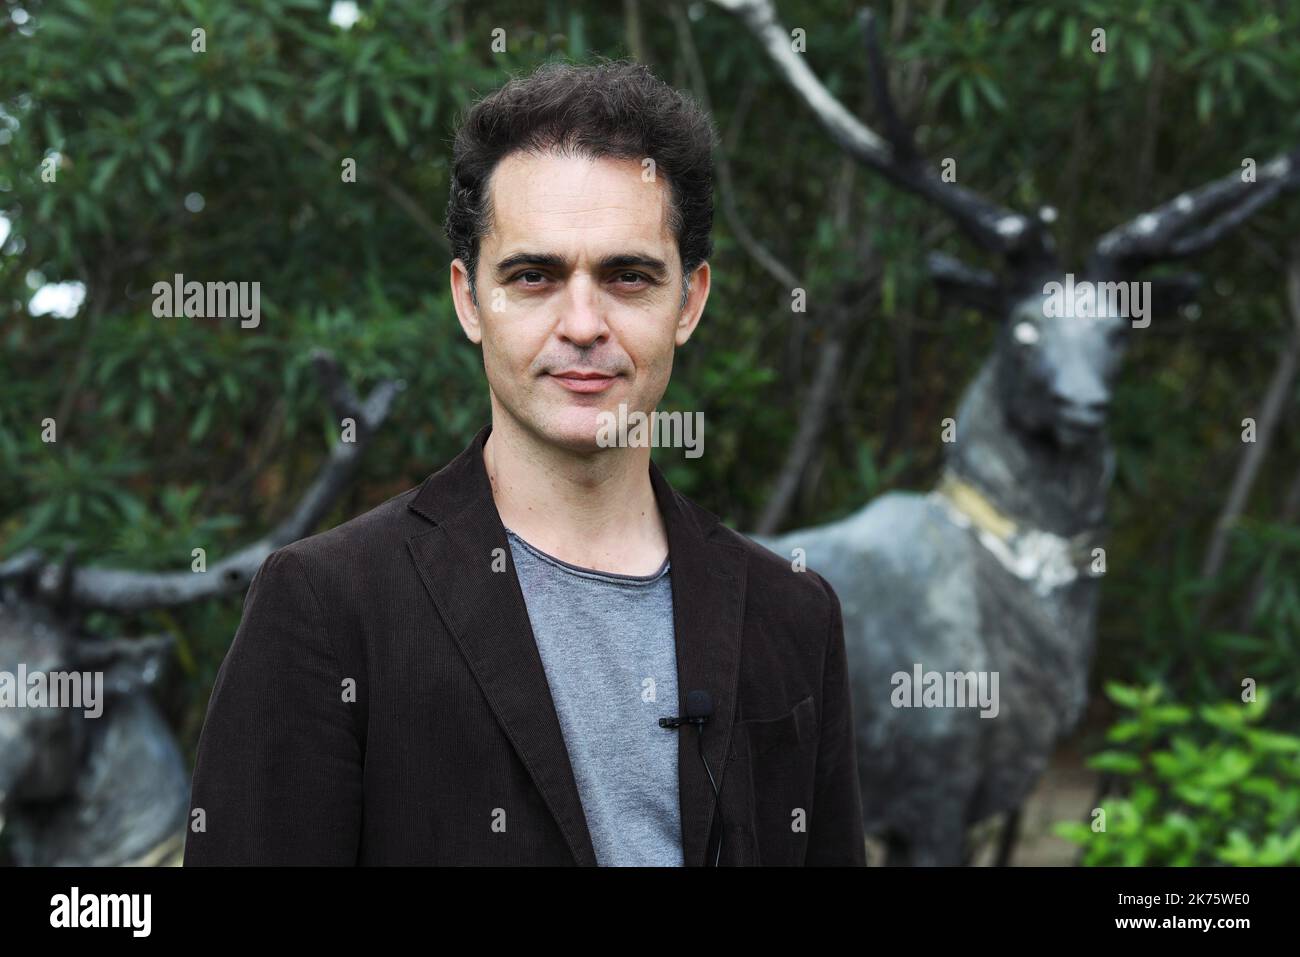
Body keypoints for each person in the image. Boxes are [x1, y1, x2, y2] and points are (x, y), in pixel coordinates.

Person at [184, 59, 866, 866]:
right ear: (469, 299)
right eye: (534, 276)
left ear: (690, 301)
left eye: (628, 276)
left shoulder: (794, 614)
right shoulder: (327, 609)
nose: (583, 322)